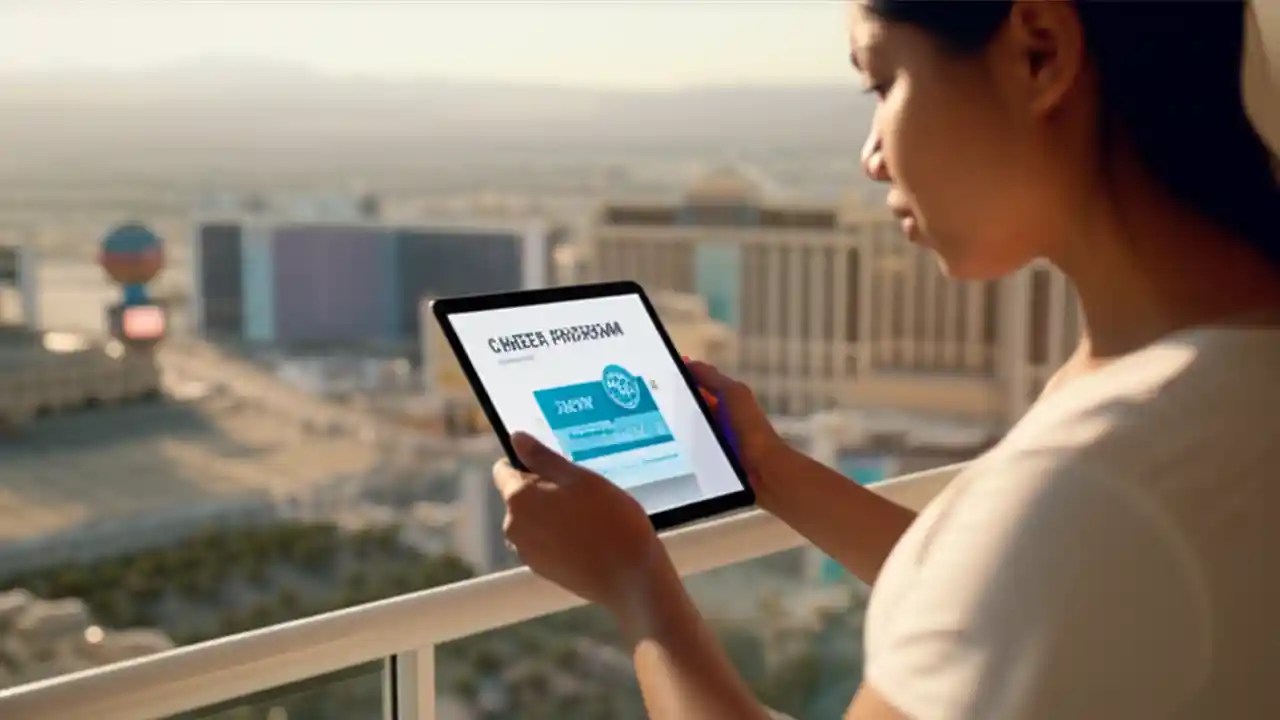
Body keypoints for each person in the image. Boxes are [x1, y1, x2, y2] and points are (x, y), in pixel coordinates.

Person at [492, 1, 1280, 717]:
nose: (872, 156)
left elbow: (1049, 545)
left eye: (883, 83)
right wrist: (768, 469)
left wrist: (637, 590)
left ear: (1039, 53)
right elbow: (1025, 593)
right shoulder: (1203, 389)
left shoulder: (1098, 475)